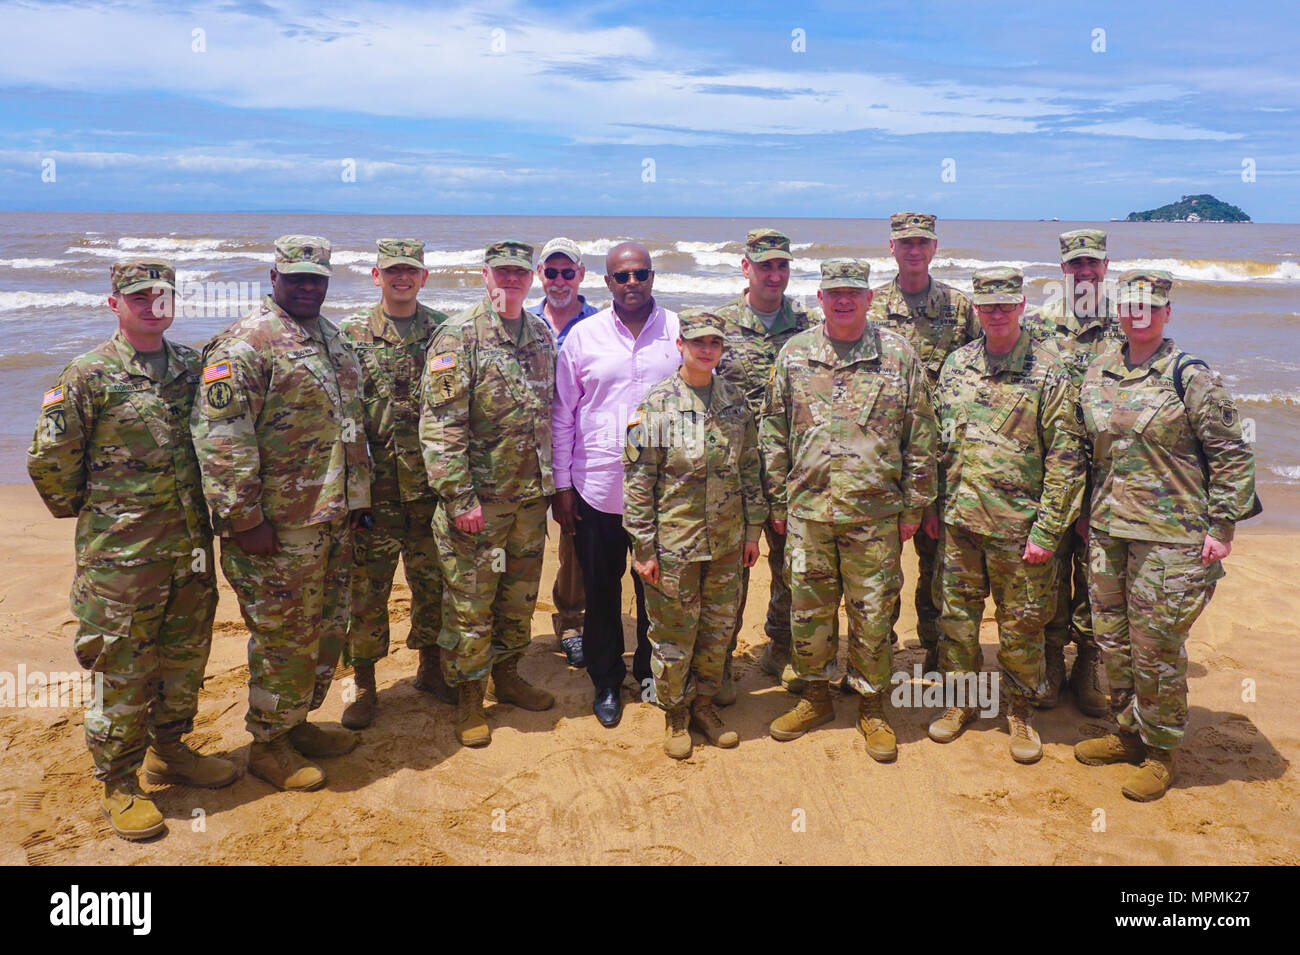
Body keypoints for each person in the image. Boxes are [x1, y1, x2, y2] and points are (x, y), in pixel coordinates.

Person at [27, 258, 235, 840]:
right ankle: (118, 781)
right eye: (138, 296)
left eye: (161, 295)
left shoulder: (193, 368)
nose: (151, 304)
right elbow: (50, 460)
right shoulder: (87, 375)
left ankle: (170, 748)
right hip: (121, 561)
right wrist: (105, 519)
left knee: (184, 655)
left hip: (189, 549)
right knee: (121, 667)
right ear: (113, 303)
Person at [191, 235, 372, 792]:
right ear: (274, 278)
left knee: (324, 630)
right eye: (296, 278)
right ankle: (269, 744)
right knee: (283, 639)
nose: (307, 287)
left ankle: (294, 724)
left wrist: (359, 501)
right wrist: (244, 519)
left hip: (332, 519)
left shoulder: (332, 339)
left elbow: (352, 428)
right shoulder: (244, 345)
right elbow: (222, 438)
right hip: (277, 528)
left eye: (316, 278)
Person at [1073, 269, 1256, 801]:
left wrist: (1222, 527)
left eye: (1149, 306)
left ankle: (1161, 750)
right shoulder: (1100, 369)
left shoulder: (1190, 375)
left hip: (1171, 537)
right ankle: (1128, 732)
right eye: (1130, 305)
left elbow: (1232, 452)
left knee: (1156, 648)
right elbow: (1089, 449)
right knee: (1113, 641)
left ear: (1167, 313)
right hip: (1109, 531)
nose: (1138, 314)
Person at [761, 259, 936, 762]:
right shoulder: (793, 355)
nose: (843, 301)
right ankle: (815, 696)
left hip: (875, 514)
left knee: (873, 612)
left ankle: (872, 703)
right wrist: (777, 497)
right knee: (809, 610)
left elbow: (920, 432)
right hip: (809, 510)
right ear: (820, 299)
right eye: (833, 292)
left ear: (868, 299)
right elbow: (773, 430)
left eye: (852, 294)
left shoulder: (898, 356)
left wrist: (913, 505)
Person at [927, 267, 1086, 764]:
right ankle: (962, 704)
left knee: (1022, 628)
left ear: (1020, 306)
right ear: (976, 309)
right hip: (959, 524)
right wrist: (934, 505)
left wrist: (1049, 530)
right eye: (987, 305)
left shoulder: (1047, 370)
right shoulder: (957, 363)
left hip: (1021, 530)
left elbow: (1066, 456)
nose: (996, 314)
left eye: (1005, 305)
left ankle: (1020, 711)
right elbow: (937, 442)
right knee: (957, 622)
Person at [419, 240, 557, 748]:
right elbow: (441, 427)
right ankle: (469, 699)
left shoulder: (541, 335)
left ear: (531, 277)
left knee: (517, 599)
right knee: (470, 606)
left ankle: (509, 675)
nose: (512, 280)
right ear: (485, 276)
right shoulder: (457, 338)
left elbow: (547, 416)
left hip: (527, 500)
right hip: (479, 504)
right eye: (502, 271)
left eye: (521, 272)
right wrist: (459, 498)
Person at [624, 309, 766, 759]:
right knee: (673, 634)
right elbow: (639, 479)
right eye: (698, 342)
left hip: (725, 542)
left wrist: (752, 531)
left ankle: (704, 705)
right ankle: (676, 713)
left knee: (716, 631)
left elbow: (749, 469)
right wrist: (643, 546)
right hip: (674, 546)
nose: (706, 350)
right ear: (680, 345)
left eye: (715, 344)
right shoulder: (658, 403)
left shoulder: (735, 402)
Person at [552, 242, 681, 729]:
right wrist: (562, 486)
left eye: (640, 274)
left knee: (656, 590)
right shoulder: (584, 338)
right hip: (597, 487)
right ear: (606, 283)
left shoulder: (678, 332)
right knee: (601, 591)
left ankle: (649, 674)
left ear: (653, 277)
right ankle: (607, 682)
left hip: (665, 493)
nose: (632, 283)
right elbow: (563, 415)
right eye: (621, 276)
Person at [337, 239, 451, 729]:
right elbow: (341, 417)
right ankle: (363, 683)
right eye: (392, 270)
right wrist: (350, 493)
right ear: (375, 275)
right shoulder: (350, 334)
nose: (401, 277)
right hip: (375, 492)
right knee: (366, 593)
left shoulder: (444, 331)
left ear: (423, 276)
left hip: (428, 487)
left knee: (434, 585)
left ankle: (431, 668)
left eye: (410, 270)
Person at [867, 212, 979, 672]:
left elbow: (982, 370)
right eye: (905, 242)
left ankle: (936, 652)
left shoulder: (960, 307)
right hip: (886, 463)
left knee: (939, 567)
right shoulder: (869, 307)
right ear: (891, 247)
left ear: (935, 248)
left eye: (922, 242)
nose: (914, 250)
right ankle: (880, 650)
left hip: (945, 461)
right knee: (882, 564)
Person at [713, 228, 820, 698]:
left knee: (790, 565)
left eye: (781, 266)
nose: (773, 275)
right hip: (733, 470)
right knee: (730, 567)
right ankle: (718, 657)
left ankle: (781, 649)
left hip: (793, 466)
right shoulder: (718, 325)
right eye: (764, 266)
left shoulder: (809, 326)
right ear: (746, 267)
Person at [1023, 229, 1124, 714]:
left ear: (1105, 265)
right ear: (1063, 268)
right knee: (1047, 571)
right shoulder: (1039, 326)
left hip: (1107, 478)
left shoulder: (1126, 323)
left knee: (1094, 579)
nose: (1084, 271)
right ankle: (1048, 664)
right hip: (1049, 474)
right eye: (1075, 264)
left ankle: (1087, 668)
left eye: (1092, 263)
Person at [529, 237, 600, 669]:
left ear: (581, 275)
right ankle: (505, 629)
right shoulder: (521, 320)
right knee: (516, 545)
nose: (559, 280)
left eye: (567, 272)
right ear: (540, 275)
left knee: (575, 541)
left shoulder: (599, 325)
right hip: (522, 454)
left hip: (576, 453)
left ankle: (572, 624)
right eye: (550, 272)